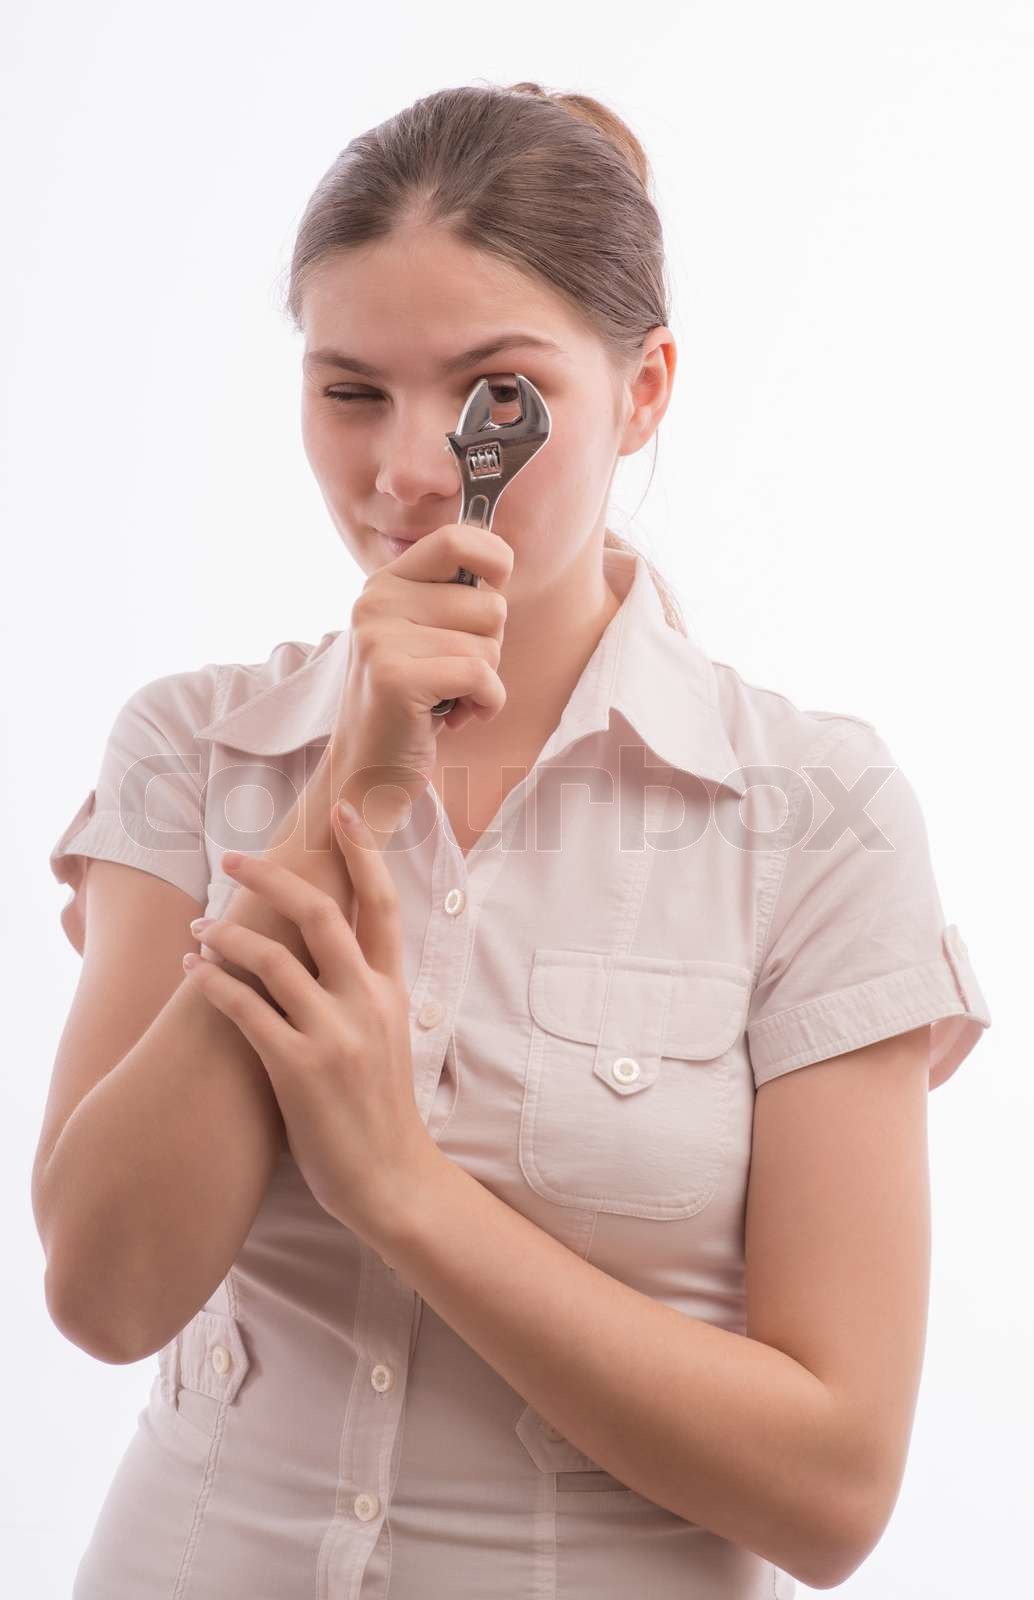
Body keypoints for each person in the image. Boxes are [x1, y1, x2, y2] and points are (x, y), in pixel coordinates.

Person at [36, 81, 992, 1598]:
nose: (409, 468)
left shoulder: (815, 816)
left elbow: (830, 1492)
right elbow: (104, 1291)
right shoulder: (191, 749)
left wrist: (401, 1189)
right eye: (349, 392)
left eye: (488, 390)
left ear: (647, 389)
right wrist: (349, 791)